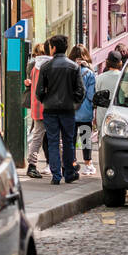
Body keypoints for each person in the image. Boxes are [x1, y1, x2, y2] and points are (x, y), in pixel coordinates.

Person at [35, 34, 85, 185]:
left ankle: (56, 176)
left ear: (54, 48)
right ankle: (69, 173)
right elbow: (80, 91)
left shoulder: (46, 67)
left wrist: (46, 101)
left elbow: (39, 92)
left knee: (53, 142)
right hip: (68, 110)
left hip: (50, 110)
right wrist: (74, 104)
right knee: (68, 141)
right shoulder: (74, 67)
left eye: (50, 47)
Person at [70, 45, 98, 178]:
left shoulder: (68, 71)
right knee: (86, 138)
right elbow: (92, 95)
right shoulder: (89, 73)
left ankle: (72, 163)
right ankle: (88, 164)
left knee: (71, 139)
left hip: (70, 110)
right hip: (85, 111)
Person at [24, 42, 48, 180]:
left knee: (37, 137)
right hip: (47, 106)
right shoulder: (45, 67)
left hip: (36, 105)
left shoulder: (33, 67)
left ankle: (32, 165)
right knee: (57, 138)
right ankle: (65, 165)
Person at [93, 50, 125, 139]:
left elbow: (96, 100)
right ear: (120, 63)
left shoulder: (99, 78)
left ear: (107, 62)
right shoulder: (123, 77)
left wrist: (95, 117)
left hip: (102, 115)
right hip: (120, 115)